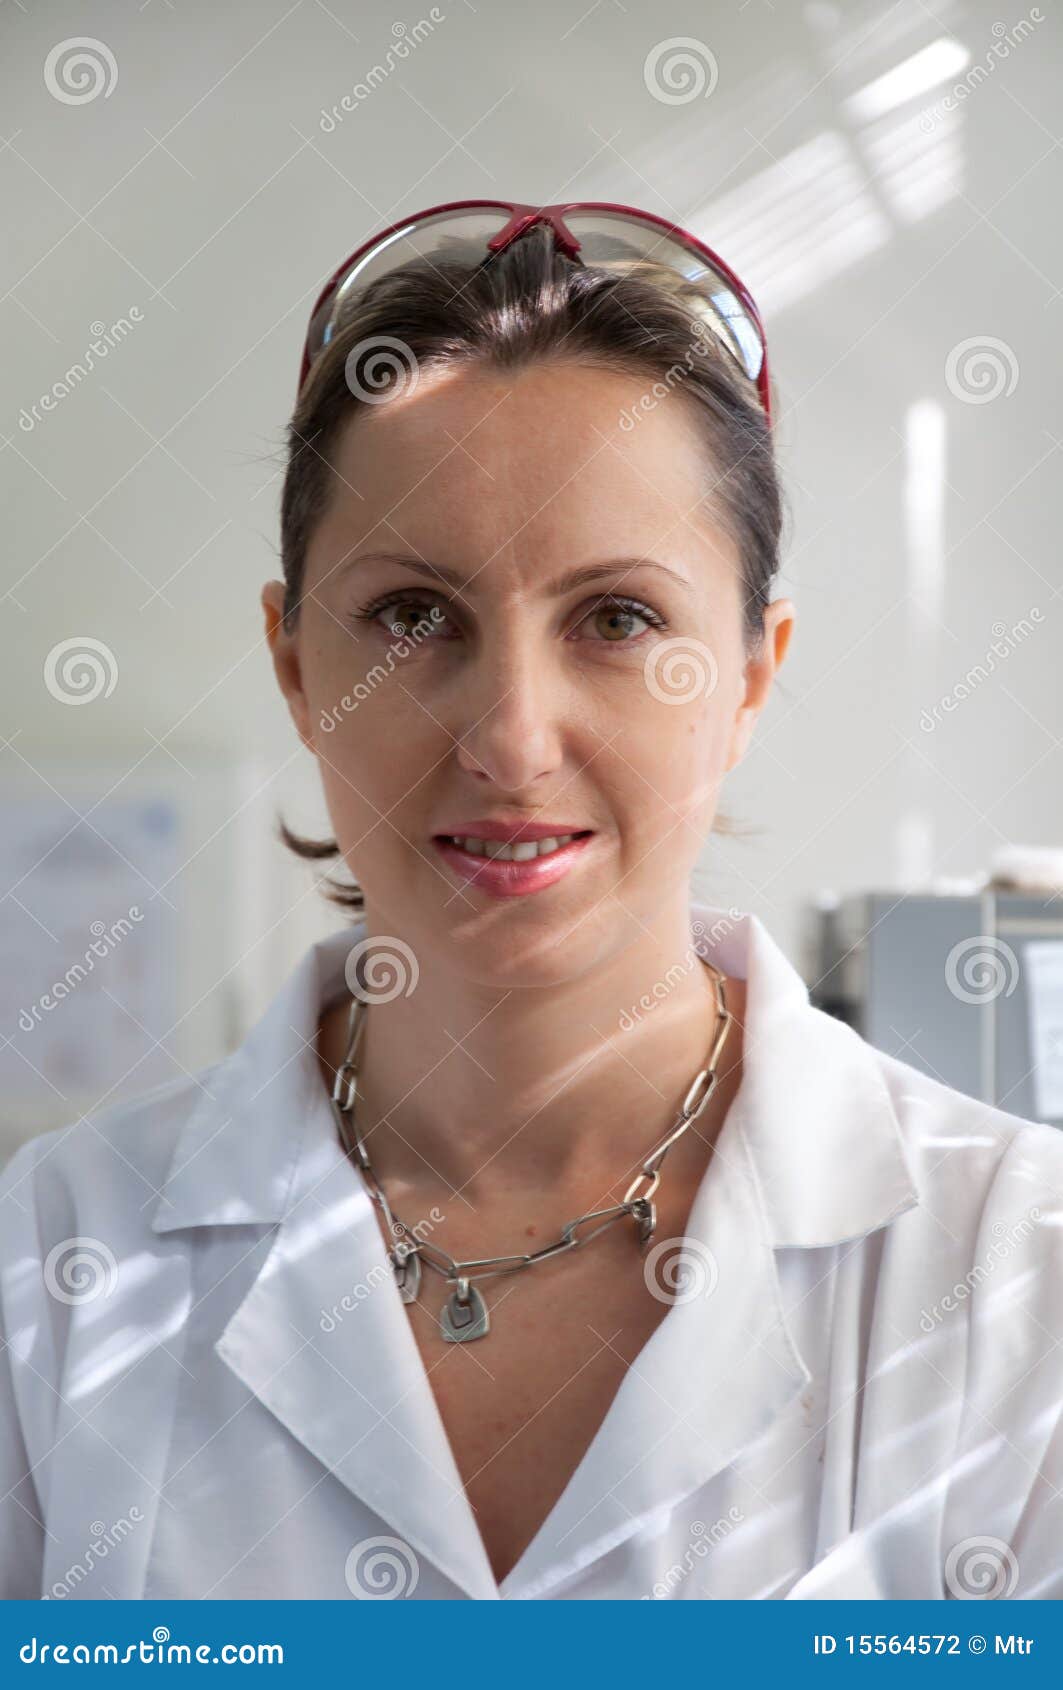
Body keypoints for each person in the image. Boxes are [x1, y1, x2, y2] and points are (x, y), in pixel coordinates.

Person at [1, 203, 1060, 1602]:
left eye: (617, 618)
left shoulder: (1019, 1280)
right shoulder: (55, 1264)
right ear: (296, 662)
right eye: (411, 615)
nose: (510, 737)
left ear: (748, 674)